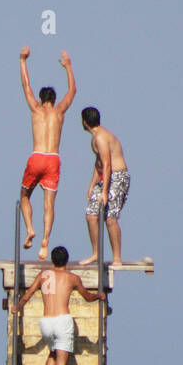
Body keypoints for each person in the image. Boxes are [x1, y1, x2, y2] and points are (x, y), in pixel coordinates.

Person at [11, 245, 103, 365]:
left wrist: (17, 307)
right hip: (62, 321)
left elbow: (28, 294)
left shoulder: (43, 275)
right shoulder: (72, 278)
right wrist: (99, 296)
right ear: (66, 260)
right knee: (62, 362)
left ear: (52, 260)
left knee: (52, 351)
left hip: (46, 322)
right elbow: (87, 297)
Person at [18, 46, 76, 261]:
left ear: (42, 99)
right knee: (49, 205)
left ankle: (30, 229)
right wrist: (68, 66)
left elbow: (26, 85)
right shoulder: (59, 112)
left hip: (37, 156)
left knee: (24, 196)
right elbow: (72, 92)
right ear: (54, 99)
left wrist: (23, 60)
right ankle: (45, 241)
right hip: (53, 159)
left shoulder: (36, 109)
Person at [78, 107, 129, 266]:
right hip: (105, 178)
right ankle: (96, 253)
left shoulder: (101, 138)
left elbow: (107, 165)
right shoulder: (95, 138)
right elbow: (99, 163)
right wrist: (92, 185)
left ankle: (117, 258)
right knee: (91, 215)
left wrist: (105, 192)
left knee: (110, 219)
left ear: (85, 122)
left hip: (117, 177)